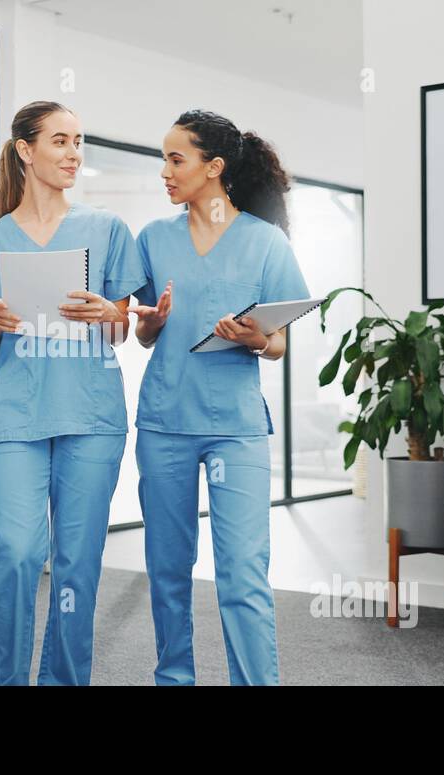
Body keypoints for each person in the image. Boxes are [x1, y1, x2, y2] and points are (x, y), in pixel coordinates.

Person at [0, 101, 147, 685]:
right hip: (18, 414)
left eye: (78, 142)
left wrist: (111, 310)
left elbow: (123, 330)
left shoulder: (106, 229)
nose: (73, 154)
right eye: (60, 141)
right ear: (25, 150)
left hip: (91, 413)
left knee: (76, 565)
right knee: (13, 551)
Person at [129, 110, 310, 685]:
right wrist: (153, 322)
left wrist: (258, 337)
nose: (165, 171)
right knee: (168, 570)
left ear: (215, 167)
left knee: (242, 572)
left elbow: (278, 344)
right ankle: (174, 678)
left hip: (236, 426)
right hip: (164, 422)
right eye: (163, 158)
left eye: (175, 159)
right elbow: (143, 331)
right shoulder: (153, 239)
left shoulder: (265, 242)